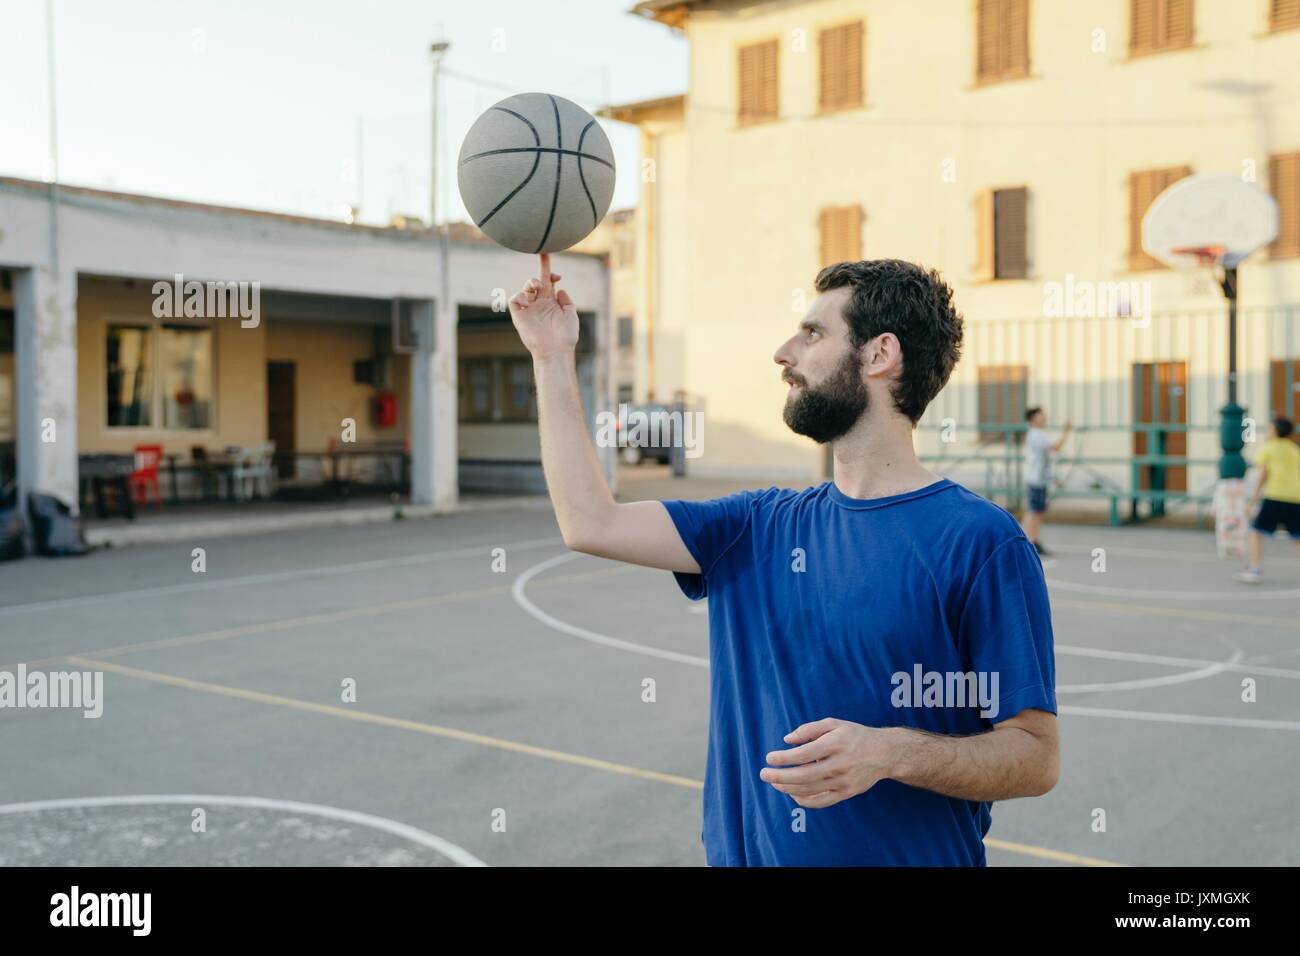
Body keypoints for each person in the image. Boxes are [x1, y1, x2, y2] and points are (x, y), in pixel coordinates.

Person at [509, 254, 1058, 866]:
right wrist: (551, 356)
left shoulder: (980, 541)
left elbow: (1034, 756)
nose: (783, 352)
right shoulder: (756, 526)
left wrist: (890, 752)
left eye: (814, 333)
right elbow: (590, 521)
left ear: (879, 355)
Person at [1234, 416, 1300, 584]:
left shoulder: (1268, 448)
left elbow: (1263, 475)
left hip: (1275, 496)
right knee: (1297, 536)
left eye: (1270, 428)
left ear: (1275, 431)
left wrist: (1253, 500)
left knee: (1256, 532)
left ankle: (1255, 568)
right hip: (1295, 498)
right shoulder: (1295, 449)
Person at [1020, 407, 1071, 558]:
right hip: (1035, 479)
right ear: (1034, 418)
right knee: (1033, 511)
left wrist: (1052, 478)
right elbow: (1055, 448)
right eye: (1041, 415)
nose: (1045, 418)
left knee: (1038, 511)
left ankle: (1033, 540)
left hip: (1040, 479)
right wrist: (1066, 431)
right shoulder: (1036, 435)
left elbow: (1045, 461)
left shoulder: (1037, 435)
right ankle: (1024, 541)